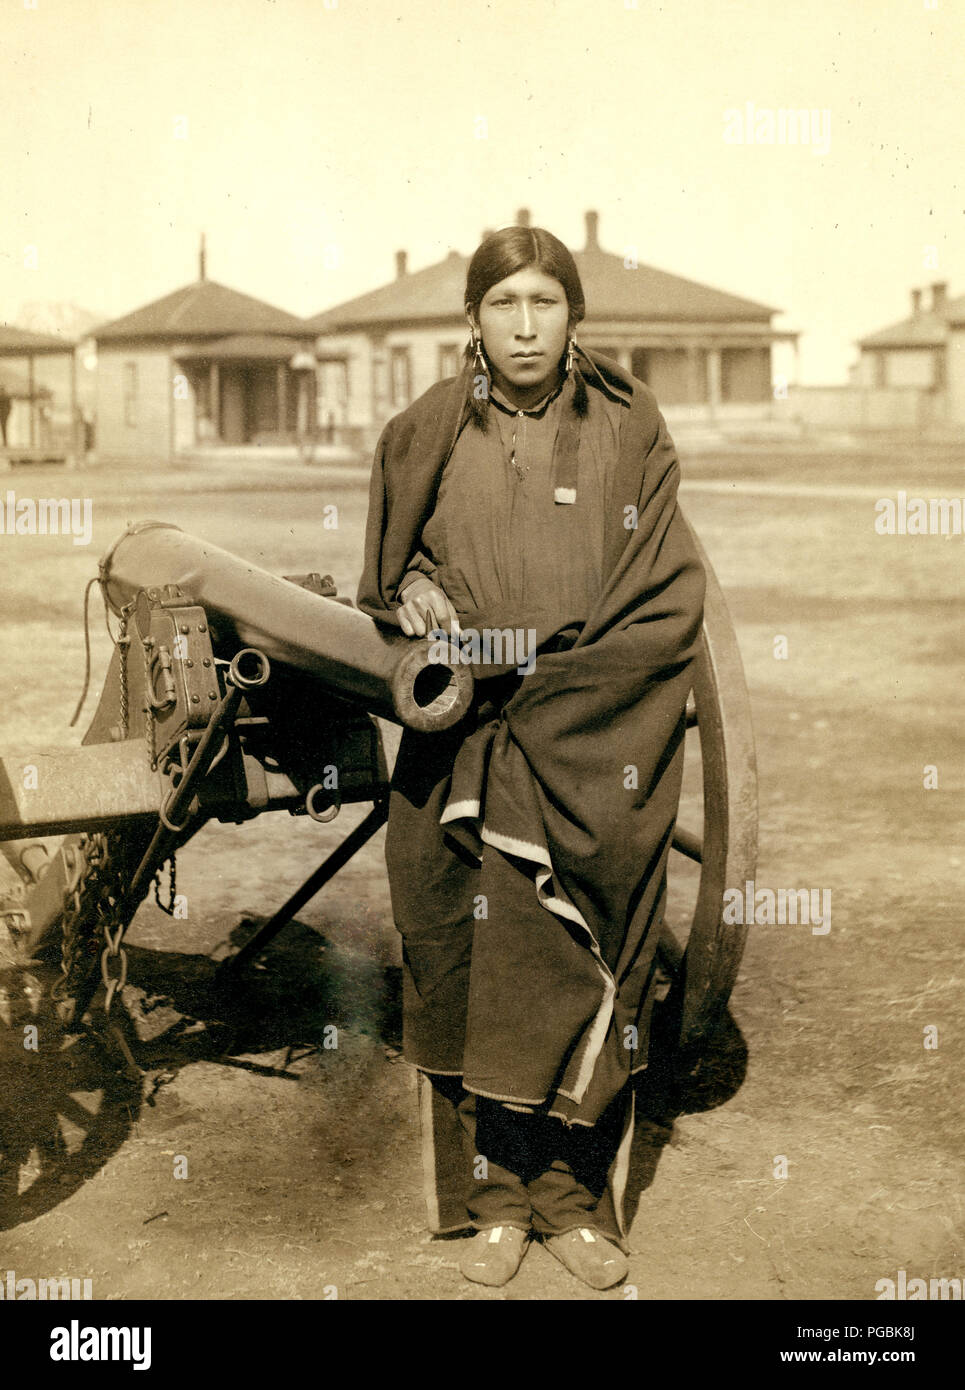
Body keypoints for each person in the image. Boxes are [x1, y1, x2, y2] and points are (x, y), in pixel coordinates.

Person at [357, 223, 705, 1290]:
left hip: (594, 736)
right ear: (470, 318)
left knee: (582, 956)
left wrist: (551, 678)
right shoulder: (421, 431)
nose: (523, 325)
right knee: (468, 962)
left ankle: (570, 1204)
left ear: (573, 316)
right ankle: (493, 1202)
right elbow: (388, 570)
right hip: (464, 737)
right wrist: (417, 594)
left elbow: (661, 592)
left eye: (543, 304)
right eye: (501, 304)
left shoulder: (627, 424)